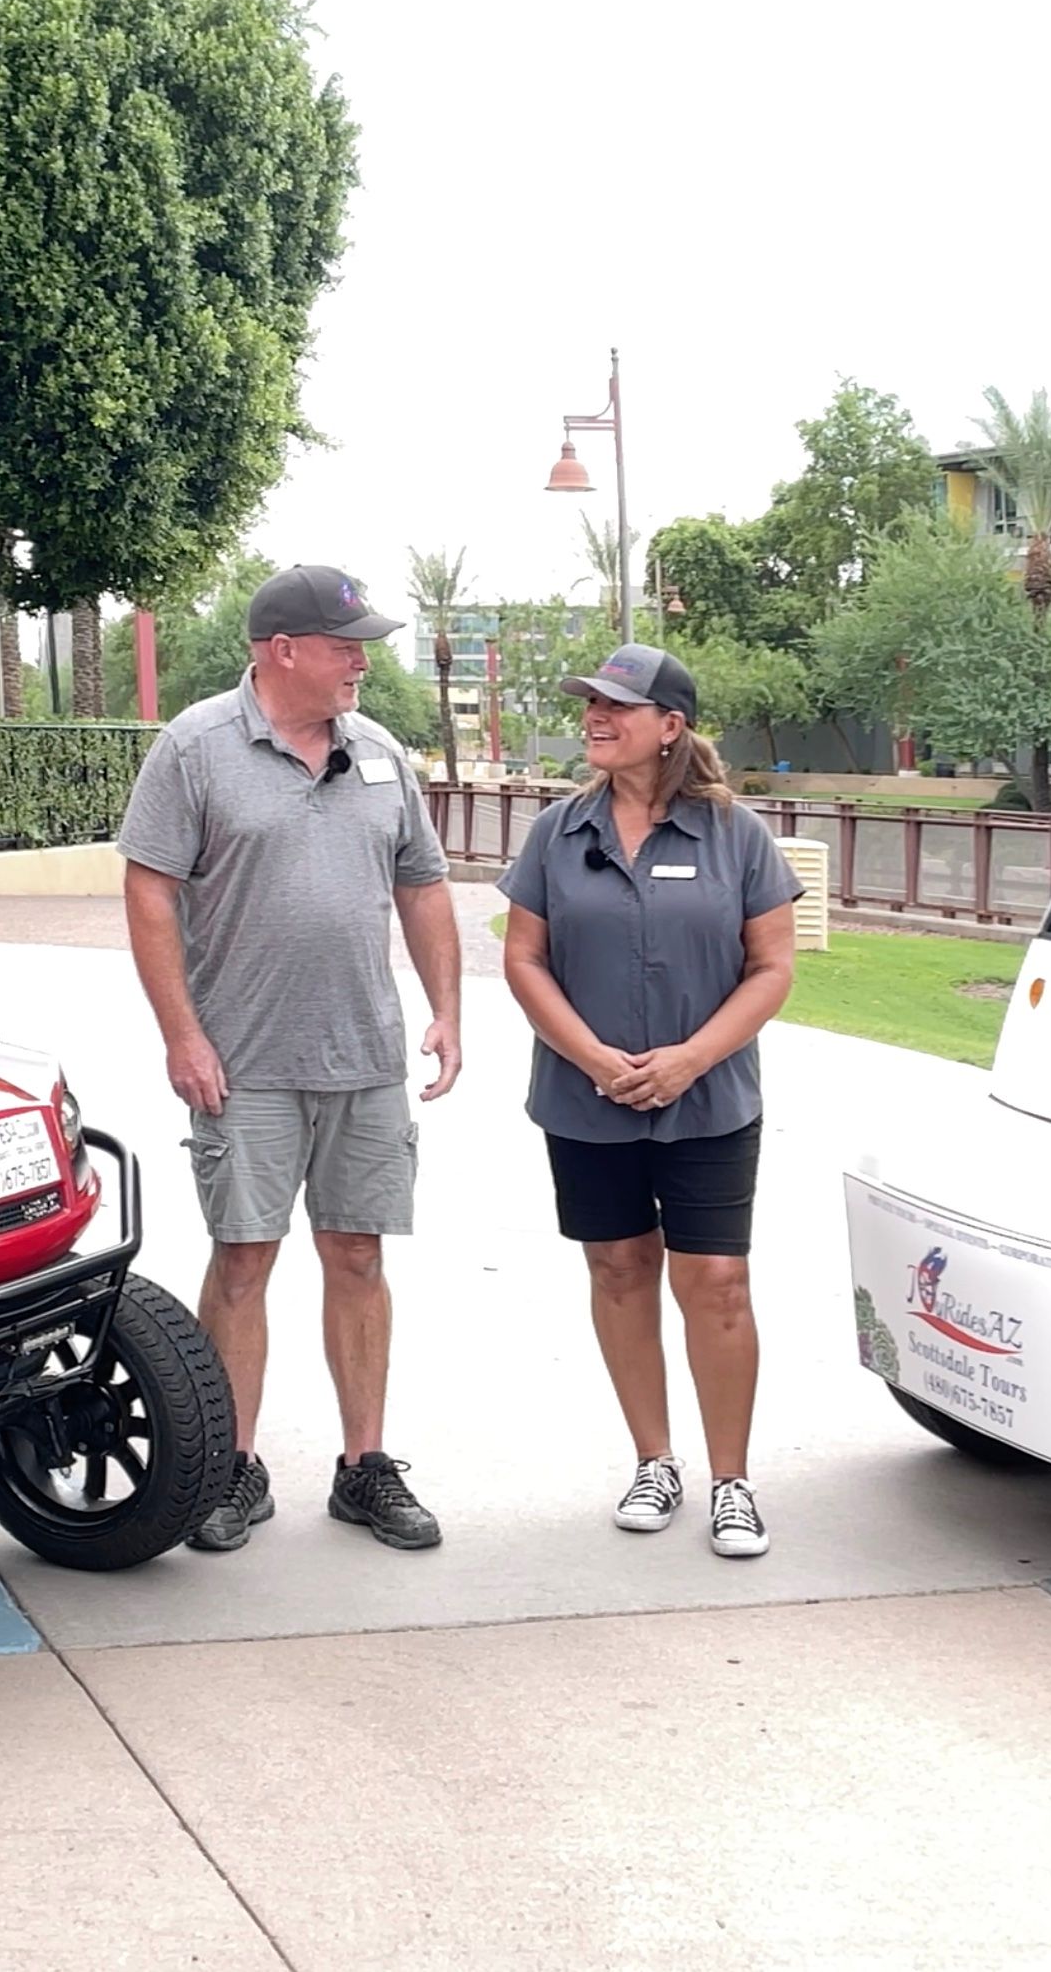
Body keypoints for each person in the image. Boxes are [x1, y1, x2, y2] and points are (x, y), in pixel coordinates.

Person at [119, 564, 466, 1554]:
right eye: (343, 644)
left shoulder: (382, 754)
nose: (360, 662)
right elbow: (148, 895)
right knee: (242, 1260)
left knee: (358, 1252)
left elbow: (425, 884)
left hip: (365, 1055)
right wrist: (182, 1034)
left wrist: (445, 1008)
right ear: (281, 650)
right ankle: (227, 1463)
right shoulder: (194, 747)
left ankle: (364, 1466)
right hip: (244, 1061)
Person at [496, 643, 802, 1559]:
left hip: (708, 1102)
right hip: (584, 1099)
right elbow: (522, 958)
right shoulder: (555, 832)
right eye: (589, 701)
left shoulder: (736, 836)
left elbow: (772, 968)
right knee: (619, 1268)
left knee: (715, 1281)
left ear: (670, 726)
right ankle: (653, 1459)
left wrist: (688, 1060)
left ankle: (731, 1479)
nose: (595, 715)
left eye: (616, 705)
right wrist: (589, 1055)